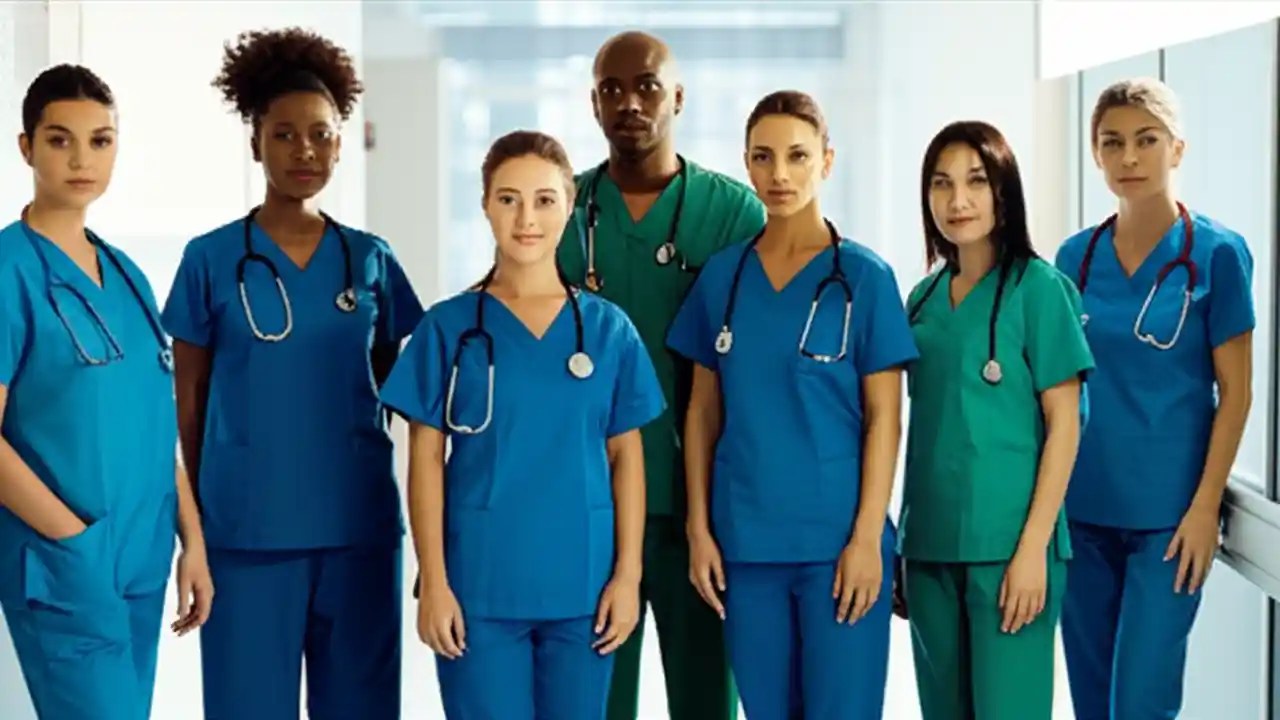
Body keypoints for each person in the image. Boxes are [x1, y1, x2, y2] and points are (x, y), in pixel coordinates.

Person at [160, 28, 423, 720]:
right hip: (246, 539)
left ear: (342, 142)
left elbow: (415, 399)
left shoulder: (370, 261)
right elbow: (186, 401)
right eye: (284, 135)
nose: (304, 150)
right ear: (255, 143)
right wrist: (199, 526)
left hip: (357, 533)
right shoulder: (210, 260)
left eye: (321, 134)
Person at [380, 129, 664, 719]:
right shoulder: (448, 328)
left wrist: (628, 577)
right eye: (508, 199)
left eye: (544, 199)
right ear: (485, 205)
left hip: (583, 589)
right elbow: (425, 460)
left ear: (569, 206)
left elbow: (626, 459)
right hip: (479, 590)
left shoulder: (608, 331)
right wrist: (432, 579)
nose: (526, 218)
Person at [667, 90, 915, 720]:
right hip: (746, 545)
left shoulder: (864, 277)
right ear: (746, 165)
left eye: (798, 156)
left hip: (840, 545)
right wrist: (699, 528)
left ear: (826, 162)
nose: (779, 174)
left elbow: (887, 417)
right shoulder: (724, 278)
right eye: (764, 157)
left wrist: (867, 538)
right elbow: (700, 415)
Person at [556, 30, 766, 720]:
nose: (630, 102)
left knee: (707, 697)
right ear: (592, 105)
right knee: (595, 698)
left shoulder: (735, 214)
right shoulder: (560, 211)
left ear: (677, 97)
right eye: (611, 89)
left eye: (646, 86)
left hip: (699, 505)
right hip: (589, 502)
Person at [0, 64, 212, 719]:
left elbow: (154, 426)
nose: (82, 158)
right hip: (69, 566)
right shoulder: (10, 270)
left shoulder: (128, 276)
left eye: (101, 140)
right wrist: (74, 541)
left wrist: (193, 541)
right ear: (26, 147)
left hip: (143, 561)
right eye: (61, 140)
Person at [1056, 78, 1254, 720]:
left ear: (1178, 148)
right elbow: (1056, 392)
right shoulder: (1075, 259)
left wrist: (1204, 511)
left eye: (1147, 141)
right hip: (1081, 513)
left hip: (1168, 522)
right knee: (1090, 701)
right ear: (1096, 155)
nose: (1130, 158)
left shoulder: (1217, 256)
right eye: (1112, 144)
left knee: (1140, 701)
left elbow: (1238, 393)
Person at [899, 121, 1093, 720]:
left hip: (1011, 550)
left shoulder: (1041, 290)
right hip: (930, 546)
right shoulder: (923, 298)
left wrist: (1034, 547)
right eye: (942, 184)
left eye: (976, 182)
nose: (958, 201)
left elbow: (1066, 427)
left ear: (1004, 190)